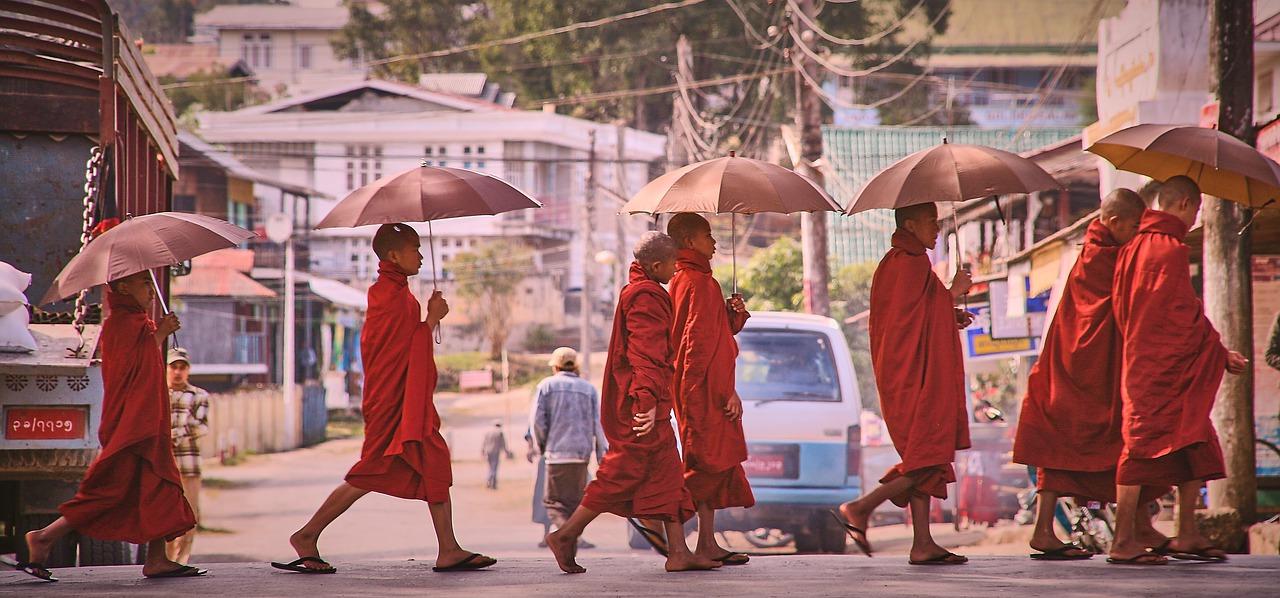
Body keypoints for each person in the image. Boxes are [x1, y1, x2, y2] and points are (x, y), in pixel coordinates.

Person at [274, 223, 495, 574]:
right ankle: (306, 535)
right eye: (414, 249)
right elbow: (396, 352)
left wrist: (427, 320)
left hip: (402, 399)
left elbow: (406, 346)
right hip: (390, 401)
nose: (421, 255)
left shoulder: (399, 292)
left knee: (430, 463)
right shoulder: (387, 296)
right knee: (371, 471)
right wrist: (431, 319)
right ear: (394, 254)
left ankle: (449, 548)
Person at [545, 232, 720, 574]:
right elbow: (645, 353)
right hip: (642, 402)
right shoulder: (647, 295)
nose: (675, 269)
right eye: (672, 264)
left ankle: (679, 552)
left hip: (651, 398)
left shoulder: (642, 290)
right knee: (619, 470)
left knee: (669, 474)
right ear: (657, 265)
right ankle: (567, 533)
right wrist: (647, 400)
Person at [1012, 189, 1169, 560]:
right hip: (1082, 372)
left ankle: (1046, 529)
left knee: (1060, 449)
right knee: (1120, 443)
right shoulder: (1104, 256)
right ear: (1113, 223)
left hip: (1071, 368)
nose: (1134, 234)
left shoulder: (1094, 250)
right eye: (1133, 226)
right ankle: (1129, 531)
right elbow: (1119, 307)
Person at [21, 271, 200, 581]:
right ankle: (44, 537)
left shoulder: (137, 319)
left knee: (158, 485)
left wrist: (157, 333)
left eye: (148, 282)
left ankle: (157, 559)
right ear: (122, 286)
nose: (149, 289)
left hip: (148, 421)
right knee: (107, 492)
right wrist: (160, 335)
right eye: (143, 283)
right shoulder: (120, 323)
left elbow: (145, 363)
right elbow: (131, 368)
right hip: (133, 426)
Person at [1109, 176, 1249, 565]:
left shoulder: (1133, 246)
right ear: (1186, 204)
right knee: (1138, 451)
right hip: (1161, 369)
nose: (1194, 219)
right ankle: (1123, 539)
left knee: (1195, 441)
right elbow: (1182, 316)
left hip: (1145, 363)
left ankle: (1186, 532)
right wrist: (1217, 351)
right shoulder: (1168, 249)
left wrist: (1214, 351)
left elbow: (1138, 310)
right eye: (1197, 211)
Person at [832, 202, 973, 565]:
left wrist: (948, 314)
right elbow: (904, 326)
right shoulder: (905, 263)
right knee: (928, 456)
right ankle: (861, 508)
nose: (938, 228)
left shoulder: (909, 261)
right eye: (931, 221)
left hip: (912, 373)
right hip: (911, 377)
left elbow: (918, 318)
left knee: (924, 456)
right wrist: (953, 292)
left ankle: (922, 543)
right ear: (909, 224)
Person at [664, 213, 753, 566]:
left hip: (698, 387)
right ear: (689, 242)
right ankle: (673, 536)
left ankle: (706, 543)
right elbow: (696, 347)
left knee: (713, 465)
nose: (714, 242)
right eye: (707, 235)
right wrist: (723, 392)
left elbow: (712, 334)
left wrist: (733, 316)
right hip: (702, 390)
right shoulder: (698, 283)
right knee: (704, 465)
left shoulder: (690, 280)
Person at [530, 347, 607, 543]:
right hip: (581, 455)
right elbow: (597, 424)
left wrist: (542, 446)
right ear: (576, 366)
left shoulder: (546, 386)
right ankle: (570, 541)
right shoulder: (588, 388)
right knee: (575, 502)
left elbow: (537, 422)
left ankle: (564, 536)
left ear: (555, 367)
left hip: (556, 454)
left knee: (553, 502)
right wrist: (600, 455)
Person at [165, 347, 211, 565]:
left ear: (188, 370)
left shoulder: (199, 395)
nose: (178, 372)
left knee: (189, 515)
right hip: (163, 464)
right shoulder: (157, 393)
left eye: (182, 367)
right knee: (165, 514)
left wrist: (173, 433)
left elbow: (200, 427)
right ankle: (165, 558)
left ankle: (182, 560)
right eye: (174, 367)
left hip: (188, 464)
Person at [481, 422, 514, 490]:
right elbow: (503, 443)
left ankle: (489, 481)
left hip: (488, 451)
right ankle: (493, 482)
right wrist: (507, 452)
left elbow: (484, 442)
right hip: (495, 452)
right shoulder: (499, 432)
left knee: (490, 467)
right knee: (494, 467)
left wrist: (483, 451)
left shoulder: (488, 431)